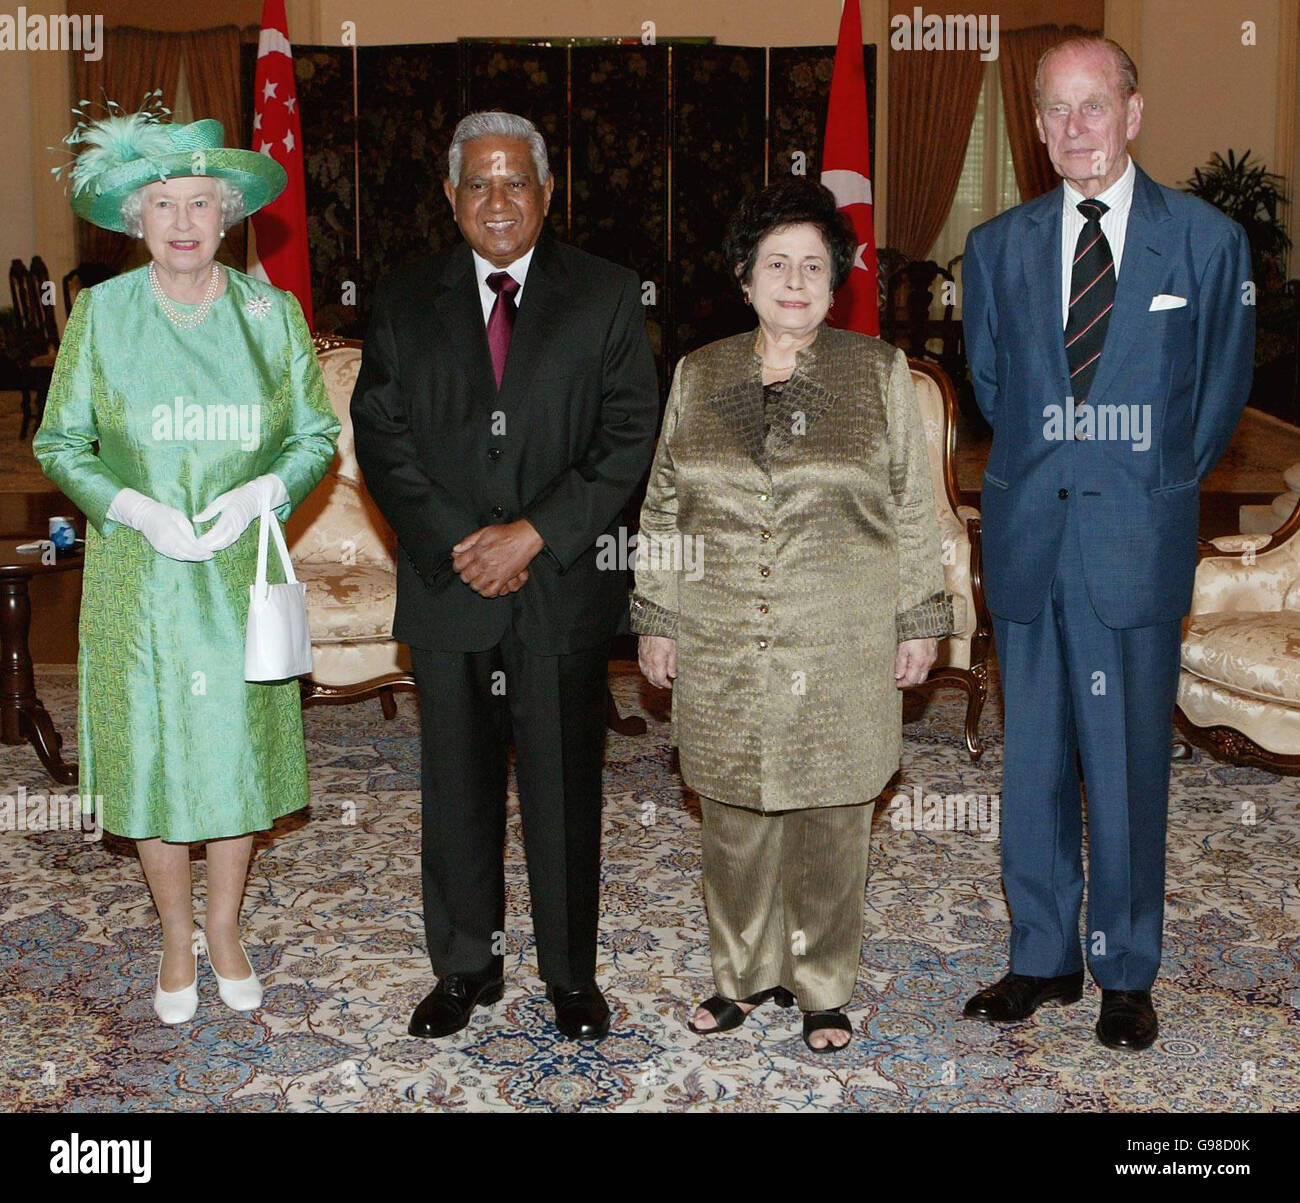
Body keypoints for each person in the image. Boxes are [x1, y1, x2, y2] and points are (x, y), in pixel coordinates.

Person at [961, 36, 1254, 1051]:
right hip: (1030, 534)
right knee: (1032, 757)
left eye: (1096, 105)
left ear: (1132, 112)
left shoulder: (1207, 244)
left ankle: (1124, 966)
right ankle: (1040, 957)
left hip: (1136, 535)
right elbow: (996, 388)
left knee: (1127, 766)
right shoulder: (996, 246)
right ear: (1036, 126)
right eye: (1056, 109)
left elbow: (1216, 398)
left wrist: (1154, 480)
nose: (1076, 126)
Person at [350, 111, 659, 1043]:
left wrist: (530, 533)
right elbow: (382, 439)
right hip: (451, 590)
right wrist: (462, 543)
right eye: (477, 182)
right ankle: (466, 966)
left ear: (547, 192)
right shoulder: (405, 297)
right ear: (450, 196)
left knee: (565, 789)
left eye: (514, 181)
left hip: (561, 585)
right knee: (455, 789)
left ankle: (570, 976)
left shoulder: (605, 295)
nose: (496, 200)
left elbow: (627, 433)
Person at [34, 107, 340, 1025]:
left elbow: (315, 432)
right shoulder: (103, 312)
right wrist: (132, 508)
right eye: (162, 202)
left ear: (228, 214)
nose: (182, 220)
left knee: (234, 754)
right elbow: (61, 440)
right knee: (156, 758)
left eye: (200, 202)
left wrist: (267, 491)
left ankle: (227, 927)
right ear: (135, 218)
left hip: (237, 571)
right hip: (141, 573)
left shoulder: (269, 311)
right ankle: (175, 936)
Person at [632, 178, 952, 1053]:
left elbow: (914, 505)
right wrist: (657, 614)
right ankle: (740, 976)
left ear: (837, 279)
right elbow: (663, 505)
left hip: (841, 635)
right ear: (745, 276)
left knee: (831, 824)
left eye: (815, 264)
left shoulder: (875, 371)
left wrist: (920, 616)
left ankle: (820, 987)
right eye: (778, 263)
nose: (797, 279)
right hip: (723, 632)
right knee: (732, 818)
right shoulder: (703, 374)